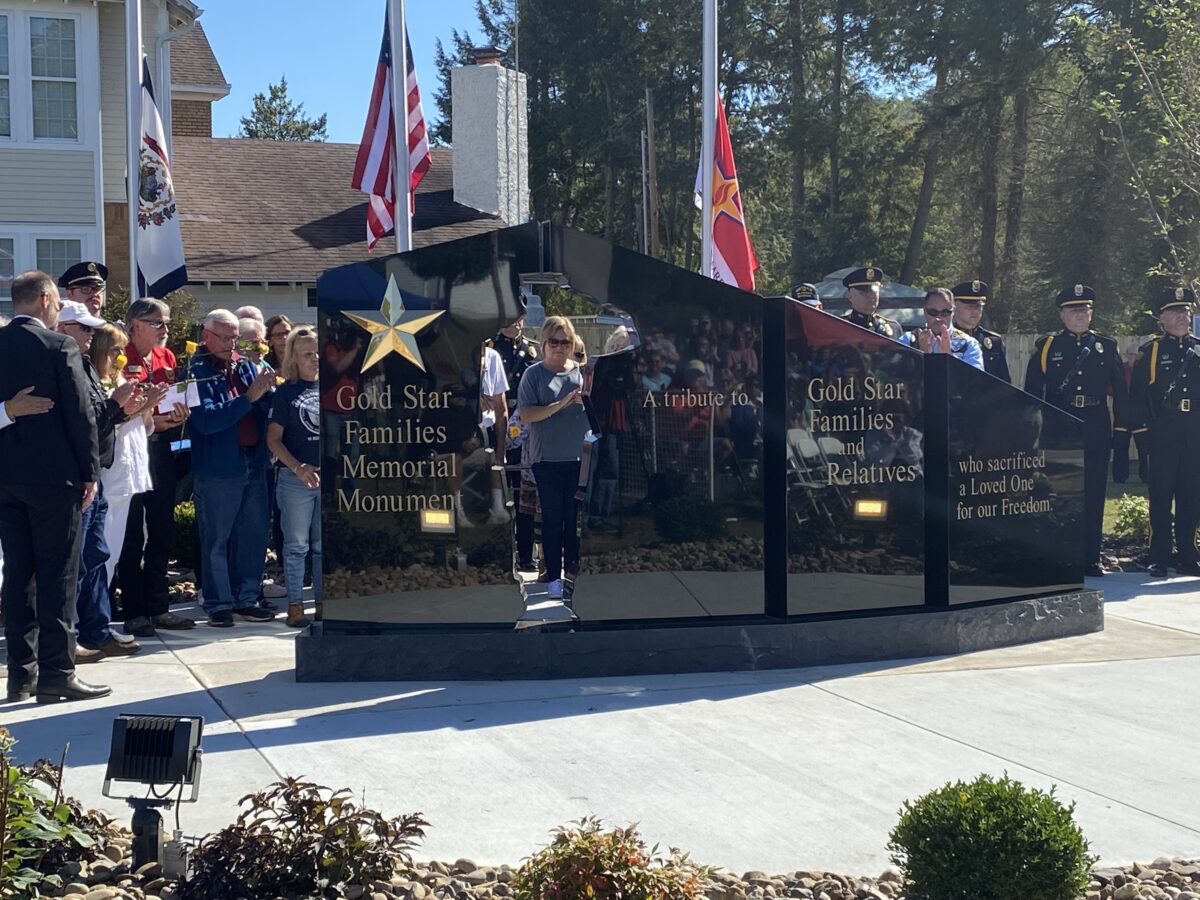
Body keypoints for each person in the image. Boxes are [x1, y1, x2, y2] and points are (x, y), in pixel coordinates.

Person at [0, 270, 109, 703]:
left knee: (18, 575)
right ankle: (57, 674)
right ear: (46, 298)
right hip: (53, 479)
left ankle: (19, 675)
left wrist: (7, 411)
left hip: (6, 478)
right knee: (57, 577)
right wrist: (90, 472)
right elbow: (79, 415)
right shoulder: (58, 345)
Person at [58, 302, 153, 660]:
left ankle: (97, 630)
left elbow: (99, 423)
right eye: (85, 329)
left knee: (96, 558)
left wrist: (126, 409)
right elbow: (85, 426)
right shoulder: (70, 368)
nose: (89, 336)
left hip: (94, 477)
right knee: (78, 563)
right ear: (64, 327)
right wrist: (118, 408)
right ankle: (70, 637)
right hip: (80, 480)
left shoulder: (87, 370)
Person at [1024, 284, 1128, 576]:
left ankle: (1089, 558)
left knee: (1094, 495)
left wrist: (1121, 434)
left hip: (1095, 425)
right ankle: (1060, 556)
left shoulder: (1106, 347)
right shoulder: (1047, 347)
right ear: (1061, 314)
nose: (1080, 315)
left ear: (1092, 313)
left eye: (1084, 309)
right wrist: (1032, 434)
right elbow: (1031, 394)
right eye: (1073, 310)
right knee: (1060, 494)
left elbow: (1121, 395)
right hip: (1059, 426)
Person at [188, 309, 278, 627]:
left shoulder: (244, 365)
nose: (230, 343)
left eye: (234, 337)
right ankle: (218, 602)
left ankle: (247, 598)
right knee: (216, 538)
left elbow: (264, 406)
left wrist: (268, 392)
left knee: (253, 535)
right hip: (218, 466)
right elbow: (207, 420)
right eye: (224, 337)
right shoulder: (195, 370)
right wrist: (248, 397)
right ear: (206, 335)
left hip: (253, 460)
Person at [118, 298, 194, 637]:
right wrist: (153, 420)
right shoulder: (120, 354)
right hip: (130, 449)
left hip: (161, 450)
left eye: (166, 322)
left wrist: (178, 416)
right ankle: (134, 611)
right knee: (132, 534)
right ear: (136, 325)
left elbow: (171, 402)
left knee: (162, 529)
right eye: (158, 322)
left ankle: (159, 606)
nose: (165, 329)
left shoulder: (167, 357)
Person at [516, 316, 592, 601]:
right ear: (544, 342)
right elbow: (526, 415)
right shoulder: (533, 375)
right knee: (552, 519)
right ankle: (553, 580)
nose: (560, 347)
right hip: (546, 459)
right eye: (554, 342)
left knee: (572, 519)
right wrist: (561, 404)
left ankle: (572, 577)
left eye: (566, 342)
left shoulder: (581, 374)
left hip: (578, 459)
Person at [1129, 287, 1200, 577]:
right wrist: (1144, 436)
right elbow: (1138, 397)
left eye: (1185, 311)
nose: (1182, 317)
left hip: (1194, 429)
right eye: (1175, 312)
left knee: (1191, 494)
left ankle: (1187, 553)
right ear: (1162, 319)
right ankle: (1158, 556)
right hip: (1164, 430)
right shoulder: (1152, 351)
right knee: (1160, 495)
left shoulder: (1198, 348)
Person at [88, 324, 163, 593]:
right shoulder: (95, 383)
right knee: (101, 551)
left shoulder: (120, 381)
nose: (121, 356)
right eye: (115, 350)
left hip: (131, 477)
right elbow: (105, 426)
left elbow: (142, 428)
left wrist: (146, 408)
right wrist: (131, 410)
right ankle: (90, 619)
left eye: (123, 350)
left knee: (116, 552)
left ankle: (99, 616)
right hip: (111, 476)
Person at [266, 326, 321, 628]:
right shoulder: (285, 393)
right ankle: (296, 604)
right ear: (294, 359)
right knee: (297, 545)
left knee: (323, 545)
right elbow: (273, 439)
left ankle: (325, 602)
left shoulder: (332, 390)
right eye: (307, 355)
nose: (314, 360)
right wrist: (298, 468)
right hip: (295, 480)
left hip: (326, 478)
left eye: (316, 353)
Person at [491, 312, 538, 569]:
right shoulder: (490, 349)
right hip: (496, 426)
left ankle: (525, 553)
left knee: (524, 494)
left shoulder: (530, 352)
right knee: (498, 493)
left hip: (523, 428)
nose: (513, 324)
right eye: (509, 319)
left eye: (518, 319)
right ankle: (500, 552)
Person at [899, 288, 984, 370]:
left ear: (953, 311)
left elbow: (976, 382)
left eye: (945, 312)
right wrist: (920, 355)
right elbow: (895, 376)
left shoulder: (969, 345)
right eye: (933, 312)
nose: (938, 318)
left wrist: (949, 358)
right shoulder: (908, 340)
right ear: (925, 311)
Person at [951, 280, 1011, 382]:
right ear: (955, 307)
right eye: (969, 306)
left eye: (979, 306)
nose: (975, 311)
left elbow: (1004, 383)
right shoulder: (945, 338)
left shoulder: (994, 342)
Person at [841, 267, 901, 338]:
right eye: (864, 292)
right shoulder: (839, 326)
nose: (871, 295)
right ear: (849, 295)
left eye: (874, 291)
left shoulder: (893, 329)